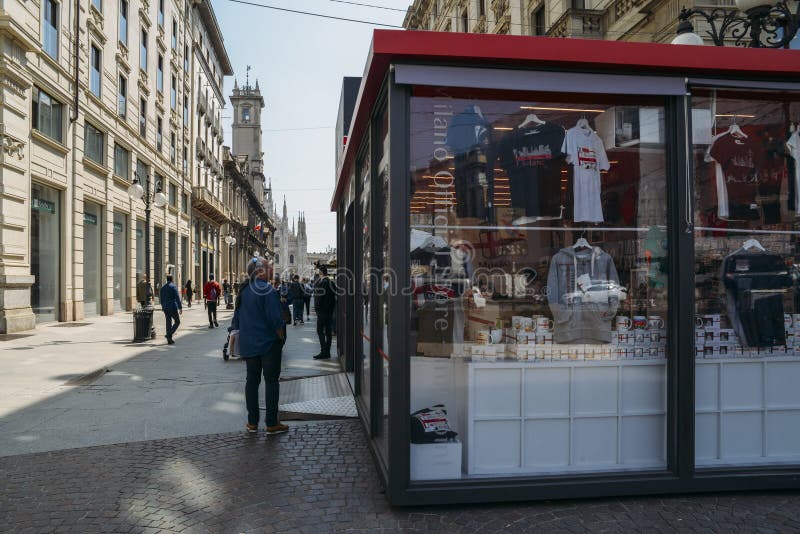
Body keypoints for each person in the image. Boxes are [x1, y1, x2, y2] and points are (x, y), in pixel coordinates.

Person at [231, 257, 287, 435]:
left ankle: (252, 422)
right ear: (261, 271)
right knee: (271, 382)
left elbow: (236, 320)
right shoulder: (267, 290)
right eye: (270, 267)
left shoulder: (244, 290)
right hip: (268, 344)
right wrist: (281, 338)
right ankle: (271, 423)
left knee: (251, 382)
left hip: (249, 345)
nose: (272, 269)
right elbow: (276, 320)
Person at [313, 265, 336, 360]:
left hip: (322, 311)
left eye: (319, 272)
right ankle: (327, 351)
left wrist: (316, 308)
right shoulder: (331, 282)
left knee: (320, 330)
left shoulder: (323, 282)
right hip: (329, 311)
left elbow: (319, 297)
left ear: (321, 273)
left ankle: (324, 351)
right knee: (328, 331)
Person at [159, 274, 182, 344]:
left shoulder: (163, 288)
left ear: (167, 279)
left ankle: (169, 339)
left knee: (168, 323)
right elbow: (177, 297)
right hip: (172, 307)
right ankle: (169, 334)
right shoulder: (173, 287)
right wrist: (180, 307)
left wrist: (163, 306)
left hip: (165, 307)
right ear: (172, 279)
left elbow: (161, 299)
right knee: (177, 322)